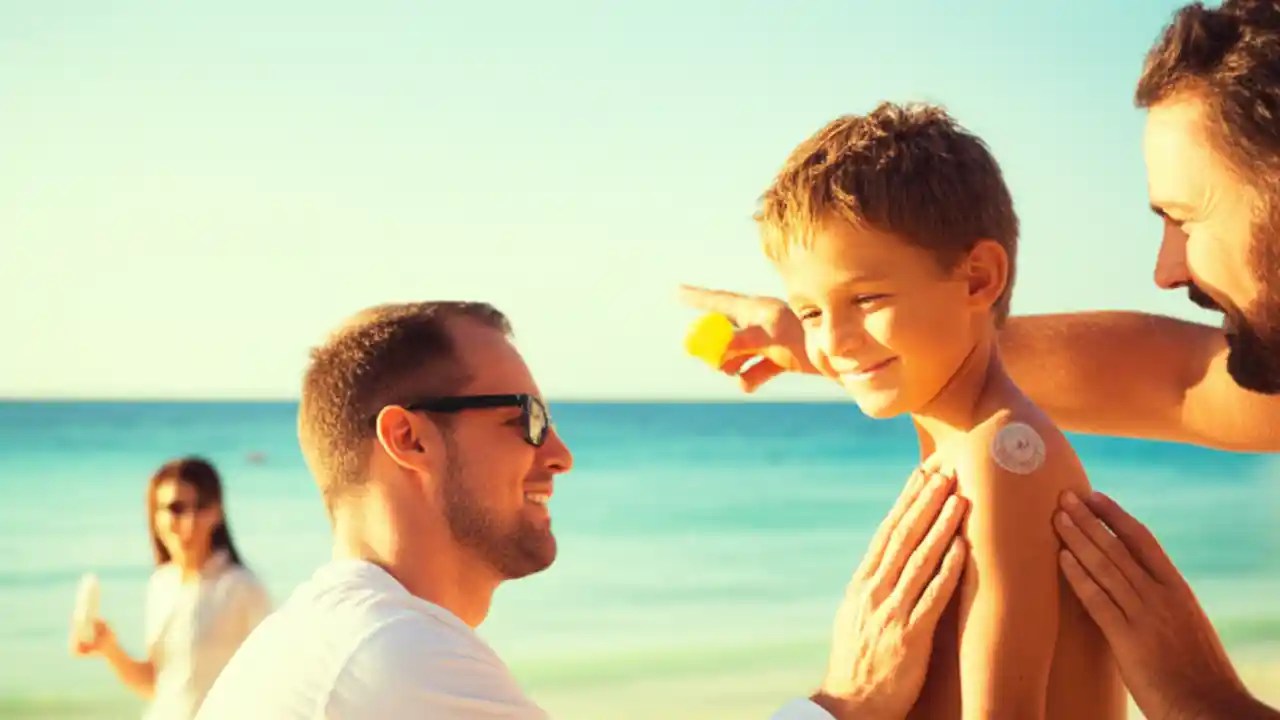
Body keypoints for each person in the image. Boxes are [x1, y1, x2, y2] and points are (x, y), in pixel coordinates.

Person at [679, 2, 1280, 717]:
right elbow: (1183, 381)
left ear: (977, 279)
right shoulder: (963, 439)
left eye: (1184, 218)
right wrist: (839, 340)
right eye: (813, 309)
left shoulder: (1001, 457)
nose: (1165, 269)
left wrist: (1204, 699)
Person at [195, 301, 969, 720]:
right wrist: (848, 701)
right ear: (408, 439)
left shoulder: (337, 637)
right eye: (525, 419)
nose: (559, 453)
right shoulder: (385, 653)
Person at [73, 457, 271, 720]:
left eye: (201, 506)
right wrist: (109, 648)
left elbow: (273, 684)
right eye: (176, 508)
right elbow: (159, 685)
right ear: (154, 515)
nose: (189, 521)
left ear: (218, 513)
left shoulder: (242, 588)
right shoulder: (161, 584)